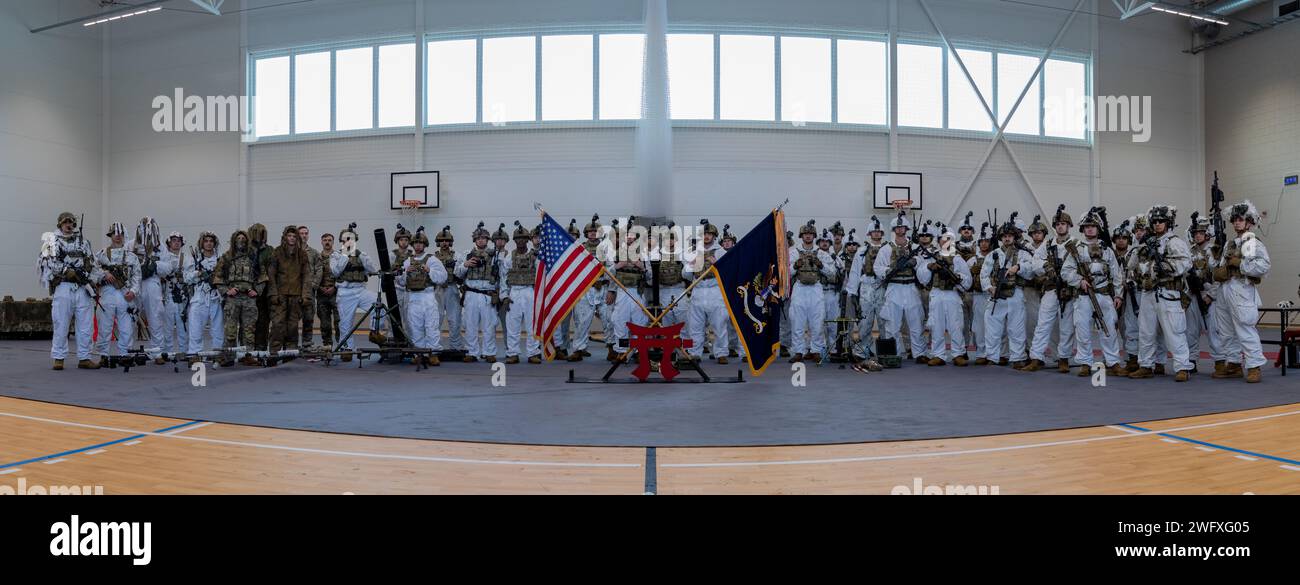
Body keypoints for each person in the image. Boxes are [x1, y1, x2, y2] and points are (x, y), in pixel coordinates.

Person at [1127, 206, 1193, 381]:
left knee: (1174, 331)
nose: (1157, 224)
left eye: (1161, 221)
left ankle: (1182, 366)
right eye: (1155, 221)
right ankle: (1146, 365)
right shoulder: (1145, 244)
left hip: (1168, 292)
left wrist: (1164, 267)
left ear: (1168, 222)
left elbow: (1186, 263)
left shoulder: (1174, 242)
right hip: (1148, 292)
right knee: (1146, 331)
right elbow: (1131, 267)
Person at [1212, 201, 1271, 383]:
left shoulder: (1251, 242)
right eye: (1235, 220)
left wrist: (1241, 265)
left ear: (1249, 222)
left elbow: (1264, 266)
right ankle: (1234, 364)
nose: (1237, 223)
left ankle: (1254, 366)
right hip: (1225, 290)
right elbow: (1222, 265)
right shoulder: (1231, 243)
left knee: (1245, 329)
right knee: (1226, 330)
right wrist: (1219, 270)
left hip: (1242, 288)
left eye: (1240, 220)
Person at [1062, 209, 1126, 377]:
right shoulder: (1076, 248)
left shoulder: (1107, 250)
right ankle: (1085, 362)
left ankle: (1112, 362)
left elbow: (1117, 275)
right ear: (1082, 229)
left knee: (1109, 328)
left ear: (1098, 228)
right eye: (1086, 226)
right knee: (1082, 328)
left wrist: (1118, 295)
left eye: (1093, 226)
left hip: (1104, 295)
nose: (1090, 229)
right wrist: (1079, 281)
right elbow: (1066, 271)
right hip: (1083, 296)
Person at [39, 212, 101, 369]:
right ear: (60, 224)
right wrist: (67, 271)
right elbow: (49, 262)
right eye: (65, 222)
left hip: (82, 288)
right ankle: (59, 358)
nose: (69, 225)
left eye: (71, 223)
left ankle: (84, 358)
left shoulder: (84, 242)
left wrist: (89, 278)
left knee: (86, 325)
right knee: (61, 323)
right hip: (64, 286)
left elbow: (92, 263)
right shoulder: (52, 241)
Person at [1024, 207, 1076, 373]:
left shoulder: (1076, 244)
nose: (1060, 227)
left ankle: (1064, 358)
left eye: (1063, 224)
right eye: (1058, 224)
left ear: (1068, 226)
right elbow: (1035, 262)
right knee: (1043, 323)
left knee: (1066, 326)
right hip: (1051, 289)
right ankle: (1036, 357)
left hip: (1068, 291)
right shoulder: (1047, 245)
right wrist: (1046, 267)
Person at [979, 214, 1033, 369]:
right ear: (1001, 238)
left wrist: (1019, 268)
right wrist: (989, 287)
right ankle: (992, 357)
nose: (1007, 239)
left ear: (1014, 237)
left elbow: (1030, 270)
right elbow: (984, 274)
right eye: (1004, 236)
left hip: (1016, 294)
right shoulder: (994, 254)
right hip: (997, 295)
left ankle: (1017, 358)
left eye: (1010, 236)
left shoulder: (1022, 253)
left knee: (1016, 328)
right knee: (992, 328)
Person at [873, 212, 927, 363]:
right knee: (892, 324)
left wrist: (914, 261)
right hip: (894, 287)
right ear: (893, 230)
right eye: (897, 227)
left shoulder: (915, 247)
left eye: (902, 227)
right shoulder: (886, 249)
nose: (899, 229)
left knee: (916, 322)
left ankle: (919, 353)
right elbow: (877, 267)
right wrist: (888, 270)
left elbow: (924, 267)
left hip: (910, 286)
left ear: (906, 228)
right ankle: (894, 354)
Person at [917, 229, 972, 366]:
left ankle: (958, 354)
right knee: (936, 325)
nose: (945, 241)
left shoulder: (958, 259)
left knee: (956, 324)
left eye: (948, 238)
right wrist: (930, 267)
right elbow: (921, 276)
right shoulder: (932, 256)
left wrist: (957, 277)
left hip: (952, 293)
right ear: (939, 240)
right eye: (943, 238)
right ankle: (938, 354)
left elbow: (968, 281)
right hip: (936, 293)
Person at [212, 229, 265, 365]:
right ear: (234, 241)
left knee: (249, 330)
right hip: (232, 299)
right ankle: (228, 357)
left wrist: (257, 291)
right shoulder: (227, 257)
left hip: (249, 298)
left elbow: (263, 276)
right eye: (238, 238)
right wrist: (226, 290)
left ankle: (247, 356)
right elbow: (217, 277)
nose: (241, 241)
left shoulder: (253, 257)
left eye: (243, 239)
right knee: (230, 329)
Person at [398, 228, 448, 367]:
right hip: (413, 297)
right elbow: (400, 282)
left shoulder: (432, 259)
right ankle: (419, 353)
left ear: (425, 244)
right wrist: (404, 272)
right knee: (415, 326)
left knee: (431, 325)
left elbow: (443, 277)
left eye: (421, 243)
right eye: (416, 243)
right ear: (412, 245)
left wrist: (429, 270)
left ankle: (433, 353)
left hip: (427, 295)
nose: (418, 245)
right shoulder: (408, 261)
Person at [456, 222, 503, 363]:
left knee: (489, 325)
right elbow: (457, 273)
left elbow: (502, 276)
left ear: (487, 240)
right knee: (470, 324)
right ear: (474, 240)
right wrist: (465, 265)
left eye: (483, 238)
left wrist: (500, 294)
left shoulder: (496, 256)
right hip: (471, 294)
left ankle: (489, 352)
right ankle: (472, 351)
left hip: (487, 294)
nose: (481, 240)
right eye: (478, 238)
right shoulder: (466, 254)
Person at [95, 222, 141, 365]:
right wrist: (104, 274)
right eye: (115, 234)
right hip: (108, 292)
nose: (118, 237)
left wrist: (133, 291)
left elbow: (137, 276)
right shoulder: (102, 254)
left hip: (125, 293)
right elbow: (92, 270)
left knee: (126, 326)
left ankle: (125, 353)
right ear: (110, 235)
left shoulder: (132, 256)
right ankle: (103, 354)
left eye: (120, 234)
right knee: (105, 325)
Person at [788, 221, 834, 363]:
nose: (808, 236)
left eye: (810, 234)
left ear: (814, 236)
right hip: (800, 288)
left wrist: (821, 265)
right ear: (801, 236)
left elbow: (832, 274)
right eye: (805, 234)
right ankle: (798, 351)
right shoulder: (793, 252)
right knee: (797, 321)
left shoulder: (822, 253)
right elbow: (786, 273)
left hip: (816, 288)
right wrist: (796, 266)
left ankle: (817, 350)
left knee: (817, 321)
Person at [606, 221, 651, 363]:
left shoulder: (643, 254)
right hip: (622, 292)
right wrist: (618, 266)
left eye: (632, 236)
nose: (630, 238)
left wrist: (642, 267)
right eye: (627, 236)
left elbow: (651, 277)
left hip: (638, 292)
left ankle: (638, 351)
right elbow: (607, 275)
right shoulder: (616, 253)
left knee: (639, 322)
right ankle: (622, 351)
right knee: (620, 321)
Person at [684, 219, 728, 364]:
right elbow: (685, 274)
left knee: (719, 323)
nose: (707, 236)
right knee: (695, 325)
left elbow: (728, 272)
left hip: (715, 290)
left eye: (709, 234)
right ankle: (695, 352)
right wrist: (690, 266)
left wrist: (717, 264)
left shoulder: (721, 252)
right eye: (704, 234)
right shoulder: (694, 252)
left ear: (714, 235)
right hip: (698, 289)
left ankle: (721, 353)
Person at [1185, 215, 1224, 374]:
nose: (1197, 235)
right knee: (1191, 330)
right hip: (1193, 296)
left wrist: (1211, 295)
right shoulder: (1190, 252)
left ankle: (1220, 361)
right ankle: (1191, 360)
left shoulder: (1214, 251)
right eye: (1195, 233)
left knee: (1213, 330)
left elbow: (1219, 277)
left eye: (1201, 232)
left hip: (1209, 297)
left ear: (1207, 233)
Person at [846, 217, 887, 365]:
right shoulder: (862, 251)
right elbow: (855, 272)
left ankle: (885, 352)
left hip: (882, 287)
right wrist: (852, 292)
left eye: (878, 231)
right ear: (869, 233)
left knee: (884, 322)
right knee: (865, 323)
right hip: (866, 288)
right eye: (873, 231)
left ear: (882, 233)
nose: (876, 234)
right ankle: (861, 351)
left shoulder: (888, 249)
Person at [265, 226, 311, 355]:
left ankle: (290, 353)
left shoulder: (302, 254)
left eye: (294, 236)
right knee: (277, 325)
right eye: (289, 236)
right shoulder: (277, 252)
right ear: (285, 237)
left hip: (296, 295)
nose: (292, 238)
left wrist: (305, 295)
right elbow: (271, 275)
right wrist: (273, 293)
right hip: (280, 295)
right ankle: (274, 352)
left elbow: (306, 276)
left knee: (293, 326)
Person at [501, 222, 542, 364]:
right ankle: (512, 353)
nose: (520, 241)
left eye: (523, 238)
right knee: (512, 325)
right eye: (518, 239)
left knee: (532, 325)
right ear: (514, 241)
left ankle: (533, 353)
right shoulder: (508, 258)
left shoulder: (535, 257)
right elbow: (503, 278)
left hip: (530, 291)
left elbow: (541, 276)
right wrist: (504, 296)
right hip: (514, 292)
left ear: (527, 240)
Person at [566, 215, 606, 362]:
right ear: (586, 234)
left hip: (604, 288)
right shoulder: (580, 249)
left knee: (608, 320)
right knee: (582, 321)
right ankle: (578, 349)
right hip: (585, 289)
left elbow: (612, 268)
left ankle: (612, 349)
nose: (593, 234)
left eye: (596, 232)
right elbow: (574, 270)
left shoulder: (607, 248)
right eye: (590, 232)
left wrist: (605, 281)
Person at [131, 217, 168, 364]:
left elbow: (168, 267)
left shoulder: (160, 247)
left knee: (156, 316)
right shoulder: (131, 245)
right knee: (130, 316)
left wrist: (154, 265)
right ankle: (126, 351)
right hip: (135, 283)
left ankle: (157, 352)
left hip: (152, 283)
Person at [185, 231, 223, 361]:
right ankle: (195, 354)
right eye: (206, 241)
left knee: (218, 329)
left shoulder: (220, 259)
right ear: (202, 243)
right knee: (195, 328)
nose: (208, 243)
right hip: (199, 297)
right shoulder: (194, 259)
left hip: (215, 297)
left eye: (211, 241)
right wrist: (198, 274)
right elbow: (186, 277)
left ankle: (217, 354)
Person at [157, 231, 188, 361]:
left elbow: (190, 274)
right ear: (169, 242)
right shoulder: (163, 257)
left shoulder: (187, 258)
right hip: (167, 295)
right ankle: (167, 353)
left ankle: (184, 352)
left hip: (181, 296)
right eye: (174, 240)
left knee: (183, 327)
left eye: (178, 240)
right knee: (167, 327)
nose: (176, 243)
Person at [967, 223, 994, 365]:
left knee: (995, 325)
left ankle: (996, 353)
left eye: (987, 241)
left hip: (994, 295)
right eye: (982, 241)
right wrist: (972, 272)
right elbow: (965, 280)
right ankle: (981, 353)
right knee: (979, 325)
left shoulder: (997, 256)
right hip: (978, 295)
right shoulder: (972, 260)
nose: (984, 244)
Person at [247, 223, 272, 349]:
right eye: (256, 232)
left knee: (263, 323)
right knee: (248, 325)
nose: (258, 235)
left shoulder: (269, 250)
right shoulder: (245, 250)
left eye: (261, 232)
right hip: (247, 292)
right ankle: (247, 352)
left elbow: (271, 271)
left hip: (263, 293)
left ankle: (261, 350)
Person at [298, 226, 322, 348]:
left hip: (309, 292)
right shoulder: (292, 252)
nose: (304, 235)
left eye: (306, 233)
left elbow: (318, 269)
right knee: (291, 321)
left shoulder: (313, 253)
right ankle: (290, 347)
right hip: (294, 291)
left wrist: (313, 285)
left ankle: (307, 345)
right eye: (301, 233)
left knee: (308, 320)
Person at [316, 232, 340, 349]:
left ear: (333, 242)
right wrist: (319, 287)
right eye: (325, 240)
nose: (327, 242)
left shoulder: (339, 256)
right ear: (321, 242)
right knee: (325, 323)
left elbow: (342, 274)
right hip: (321, 294)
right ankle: (327, 346)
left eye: (329, 240)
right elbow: (313, 274)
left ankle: (341, 345)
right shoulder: (317, 257)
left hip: (336, 293)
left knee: (339, 321)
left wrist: (334, 287)